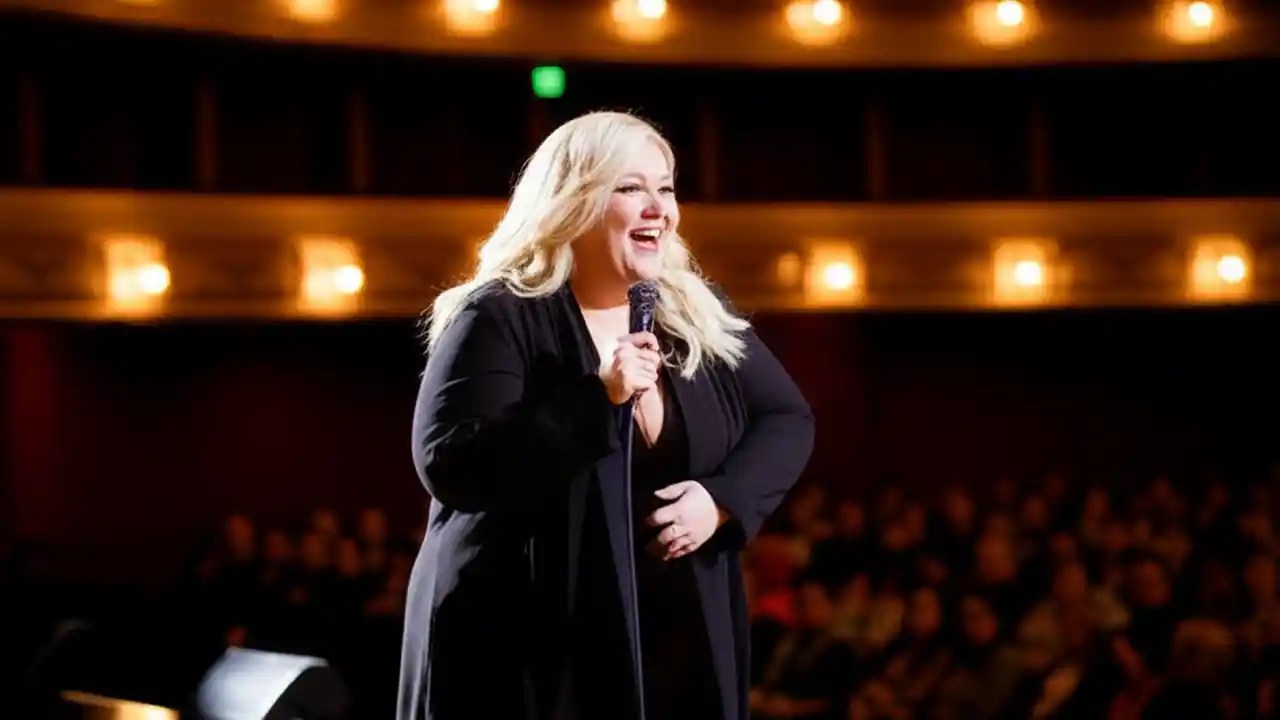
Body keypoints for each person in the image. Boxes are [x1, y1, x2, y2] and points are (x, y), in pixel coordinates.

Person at [398, 110, 815, 720]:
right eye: (630, 187)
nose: (659, 207)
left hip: (672, 634)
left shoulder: (693, 311)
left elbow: (788, 417)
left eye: (666, 187)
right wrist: (598, 397)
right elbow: (451, 462)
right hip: (529, 643)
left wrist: (721, 501)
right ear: (574, 200)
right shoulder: (498, 314)